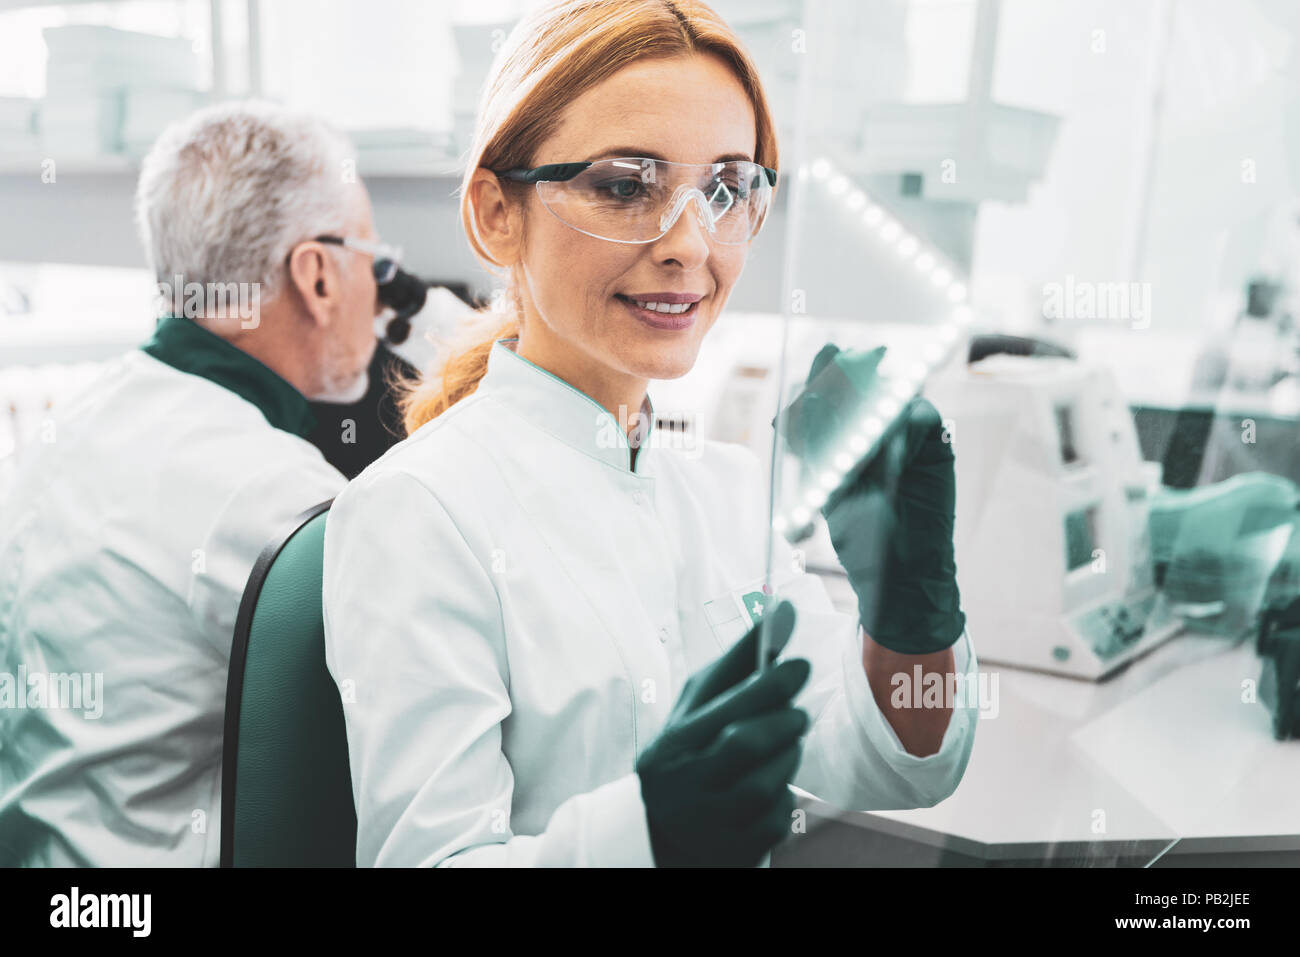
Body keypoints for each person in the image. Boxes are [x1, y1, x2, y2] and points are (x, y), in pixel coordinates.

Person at [323, 0, 978, 867]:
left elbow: (891, 766)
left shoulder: (734, 491)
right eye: (626, 185)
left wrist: (910, 605)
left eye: (725, 188)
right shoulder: (419, 513)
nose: (688, 244)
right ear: (495, 213)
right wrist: (642, 834)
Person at [0, 101, 387, 866]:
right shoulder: (277, 499)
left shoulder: (63, 429)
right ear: (315, 274)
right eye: (374, 261)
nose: (380, 295)